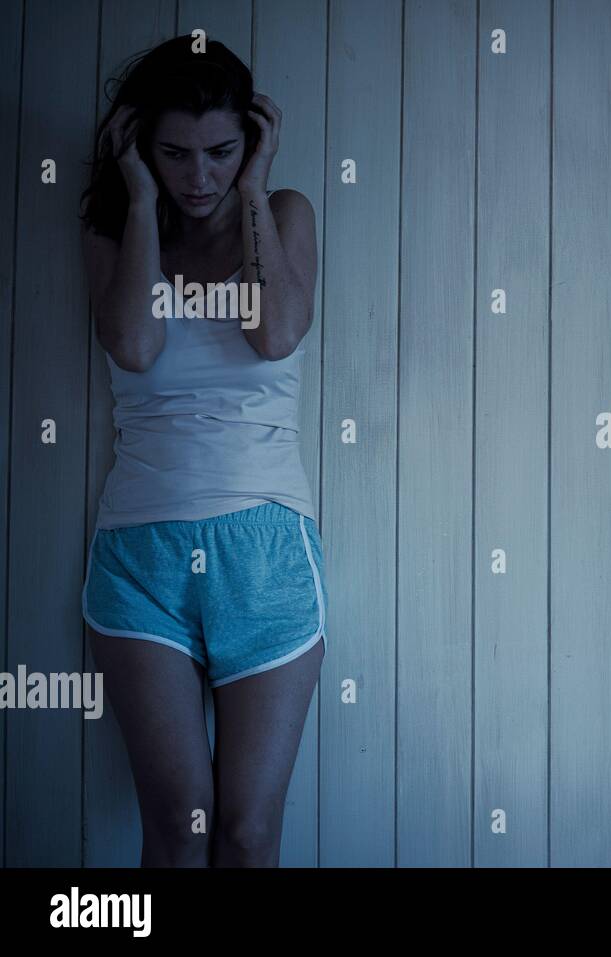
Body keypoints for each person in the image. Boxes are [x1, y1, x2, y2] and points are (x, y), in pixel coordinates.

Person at [78, 36, 325, 867]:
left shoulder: (283, 211)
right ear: (141, 145)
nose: (200, 175)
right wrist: (139, 200)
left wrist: (252, 189)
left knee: (248, 835)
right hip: (140, 552)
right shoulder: (114, 230)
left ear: (249, 143)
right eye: (174, 154)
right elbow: (137, 347)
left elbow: (276, 331)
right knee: (179, 832)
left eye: (221, 152)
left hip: (265, 547)